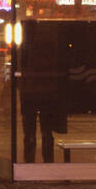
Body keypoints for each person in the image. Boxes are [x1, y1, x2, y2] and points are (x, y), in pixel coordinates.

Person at [20, 30, 67, 163]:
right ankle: (48, 162)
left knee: (29, 133)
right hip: (48, 96)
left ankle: (29, 162)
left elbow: (20, 75)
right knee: (46, 133)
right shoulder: (50, 49)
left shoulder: (25, 51)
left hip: (29, 95)